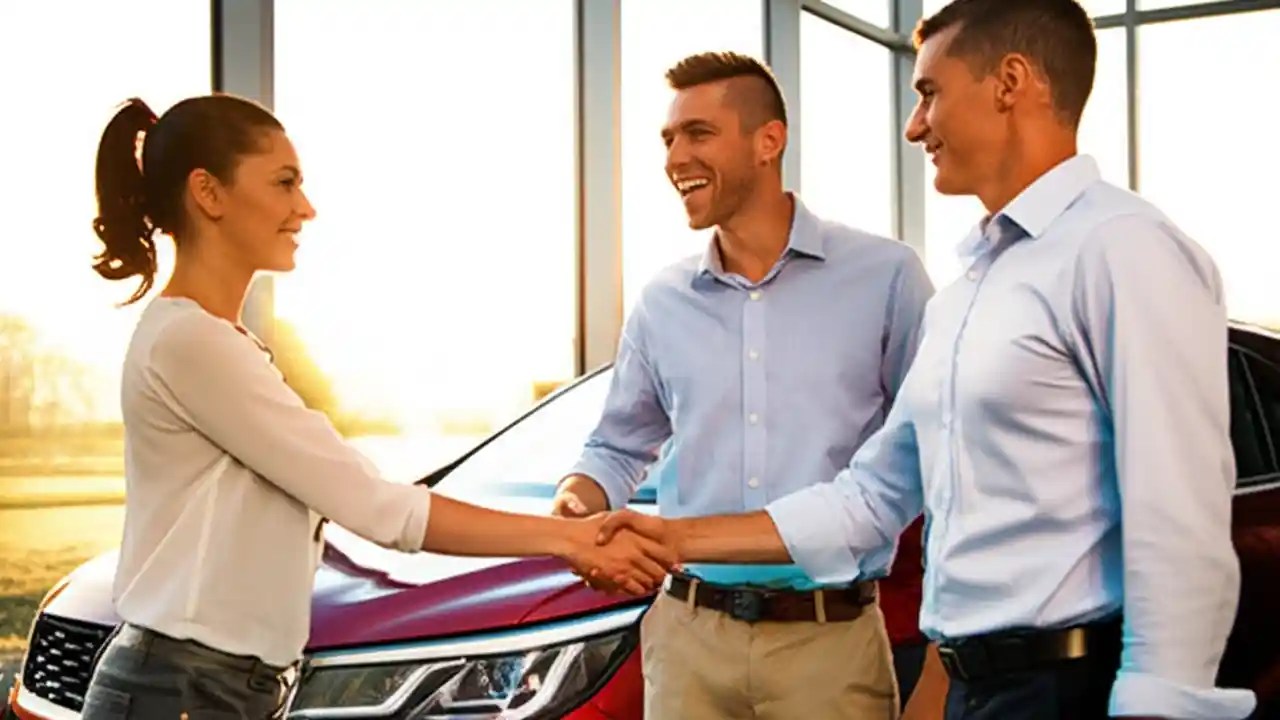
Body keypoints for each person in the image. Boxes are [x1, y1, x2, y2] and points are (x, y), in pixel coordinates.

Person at [592, 2, 1259, 718]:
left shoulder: (1125, 249)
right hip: (981, 693)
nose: (915, 125)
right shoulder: (967, 291)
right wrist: (673, 536)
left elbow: (1179, 514)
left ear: (1010, 82)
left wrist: (1157, 705)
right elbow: (870, 497)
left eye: (930, 93)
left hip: (1070, 687)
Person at [76, 94, 675, 720]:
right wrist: (569, 540)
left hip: (211, 690)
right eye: (284, 183)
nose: (304, 208)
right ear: (209, 192)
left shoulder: (215, 342)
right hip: (180, 693)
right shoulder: (191, 343)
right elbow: (375, 506)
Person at [551, 52, 935, 719]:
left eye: (698, 134)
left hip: (830, 643)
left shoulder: (887, 278)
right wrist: (576, 504)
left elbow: (936, 453)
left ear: (769, 141)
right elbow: (616, 447)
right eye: (668, 139)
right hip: (688, 639)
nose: (675, 157)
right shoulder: (662, 302)